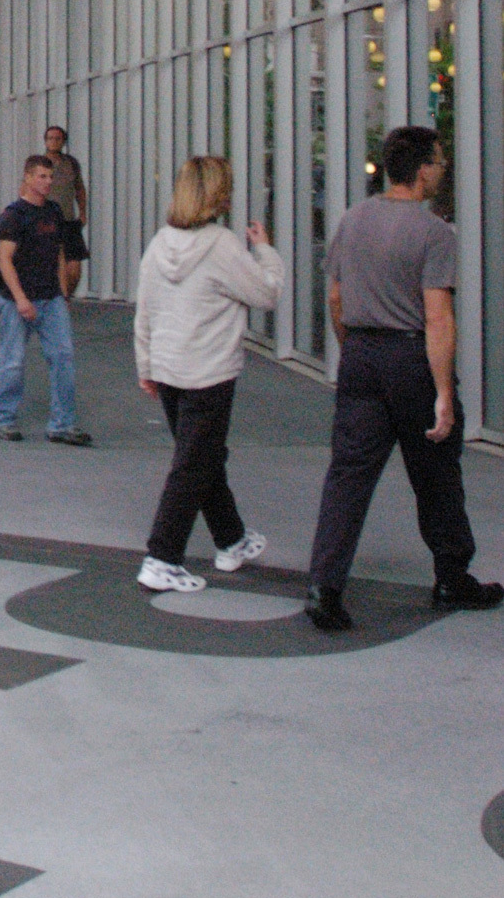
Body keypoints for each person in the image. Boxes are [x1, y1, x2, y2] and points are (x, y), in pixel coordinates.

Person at [303, 125, 501, 631]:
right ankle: (453, 576)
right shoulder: (433, 232)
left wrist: (355, 354)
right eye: (439, 161)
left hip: (362, 355)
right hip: (411, 359)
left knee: (348, 474)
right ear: (421, 169)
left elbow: (336, 300)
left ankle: (325, 586)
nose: (442, 169)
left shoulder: (352, 220)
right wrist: (443, 396)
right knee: (436, 473)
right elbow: (438, 319)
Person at [132, 156, 283, 594]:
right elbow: (266, 293)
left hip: (169, 369)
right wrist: (266, 251)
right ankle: (162, 557)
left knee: (203, 459)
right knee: (193, 464)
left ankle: (231, 540)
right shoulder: (221, 245)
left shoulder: (160, 242)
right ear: (218, 195)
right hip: (210, 372)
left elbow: (146, 308)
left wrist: (146, 365)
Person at [0, 155, 90, 445]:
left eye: (50, 177)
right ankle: (3, 419)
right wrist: (20, 299)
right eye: (42, 177)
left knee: (63, 357)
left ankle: (62, 424)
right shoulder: (13, 216)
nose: (47, 182)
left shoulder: (54, 212)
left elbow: (58, 253)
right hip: (17, 301)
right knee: (13, 361)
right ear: (28, 178)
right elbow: (5, 260)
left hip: (51, 298)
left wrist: (63, 292)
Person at [44, 124, 89, 293]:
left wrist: (83, 212)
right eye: (50, 138)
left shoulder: (71, 163)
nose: (53, 142)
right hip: (47, 221)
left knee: (74, 268)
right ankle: (56, 300)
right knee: (53, 265)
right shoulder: (40, 164)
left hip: (69, 221)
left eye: (57, 138)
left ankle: (66, 296)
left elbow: (79, 188)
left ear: (63, 142)